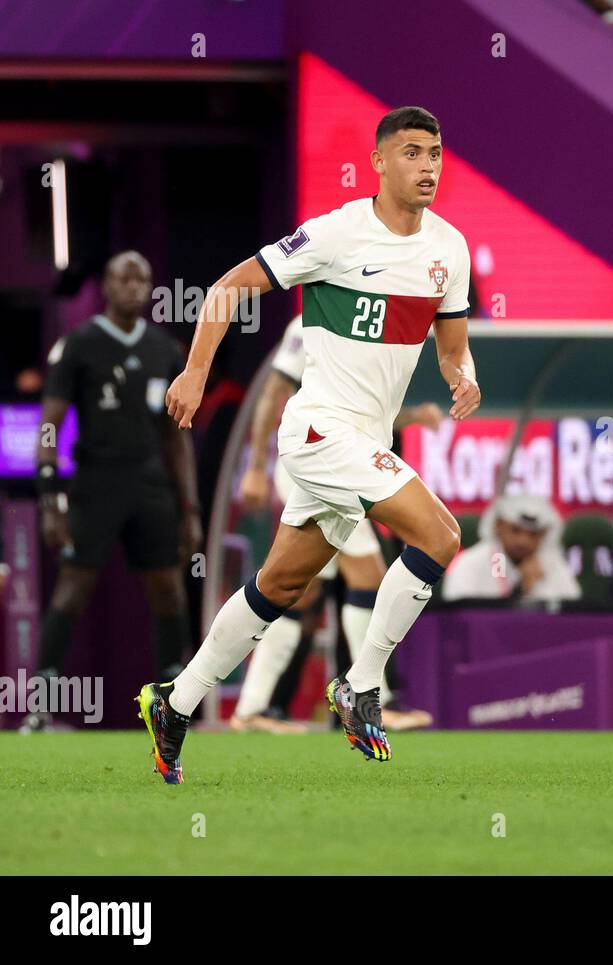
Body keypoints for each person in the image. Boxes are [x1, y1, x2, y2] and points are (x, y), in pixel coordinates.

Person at [139, 106, 477, 783]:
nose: (428, 166)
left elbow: (452, 347)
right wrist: (196, 369)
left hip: (362, 440)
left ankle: (174, 702)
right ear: (379, 162)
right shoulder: (335, 235)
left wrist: (463, 378)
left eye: (435, 153)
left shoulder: (450, 249)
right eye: (411, 153)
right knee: (439, 535)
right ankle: (361, 683)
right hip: (321, 429)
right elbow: (230, 286)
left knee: (279, 584)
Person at [231, 315, 440, 733]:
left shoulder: (367, 312)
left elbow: (356, 409)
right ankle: (369, 701)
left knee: (296, 590)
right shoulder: (309, 319)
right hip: (321, 461)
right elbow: (275, 391)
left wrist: (412, 416)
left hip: (341, 457)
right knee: (368, 576)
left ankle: (248, 709)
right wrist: (255, 467)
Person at [24, 251, 201, 733]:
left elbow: (177, 436)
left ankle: (172, 703)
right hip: (95, 482)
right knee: (73, 587)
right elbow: (49, 426)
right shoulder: (79, 345)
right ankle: (42, 702)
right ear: (105, 285)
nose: (135, 286)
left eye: (143, 278)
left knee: (167, 588)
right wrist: (49, 497)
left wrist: (190, 508)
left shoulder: (165, 349)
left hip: (150, 484)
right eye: (124, 277)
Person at [442, 493, 580, 604]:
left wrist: (532, 589)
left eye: (533, 534)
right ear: (499, 526)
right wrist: (520, 589)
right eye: (515, 530)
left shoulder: (551, 564)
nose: (523, 541)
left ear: (543, 535)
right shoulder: (471, 563)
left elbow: (570, 613)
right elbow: (459, 614)